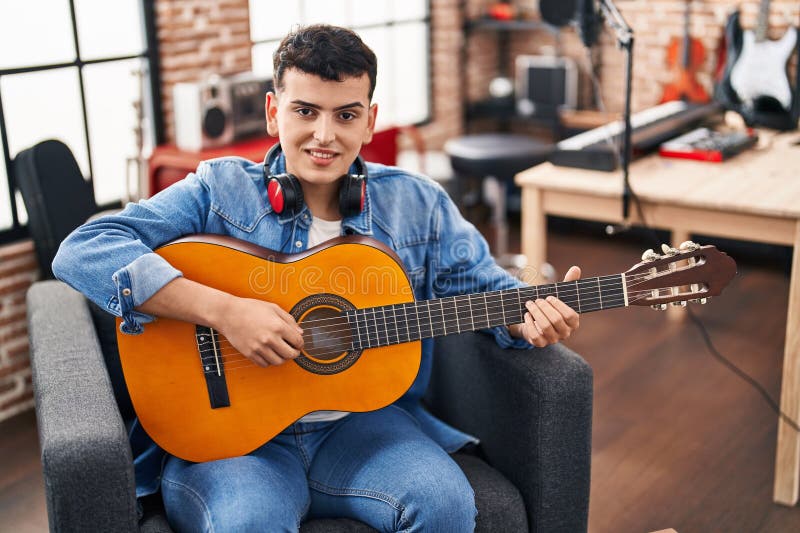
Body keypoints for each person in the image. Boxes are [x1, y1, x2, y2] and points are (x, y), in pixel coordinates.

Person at [53, 24, 580, 532]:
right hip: (230, 439)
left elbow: (487, 287)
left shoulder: (418, 204)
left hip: (360, 427)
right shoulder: (220, 190)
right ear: (272, 110)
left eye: (346, 115)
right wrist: (224, 311)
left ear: (369, 122)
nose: (324, 136)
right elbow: (84, 248)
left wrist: (526, 315)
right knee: (246, 523)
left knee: (444, 504)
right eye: (305, 111)